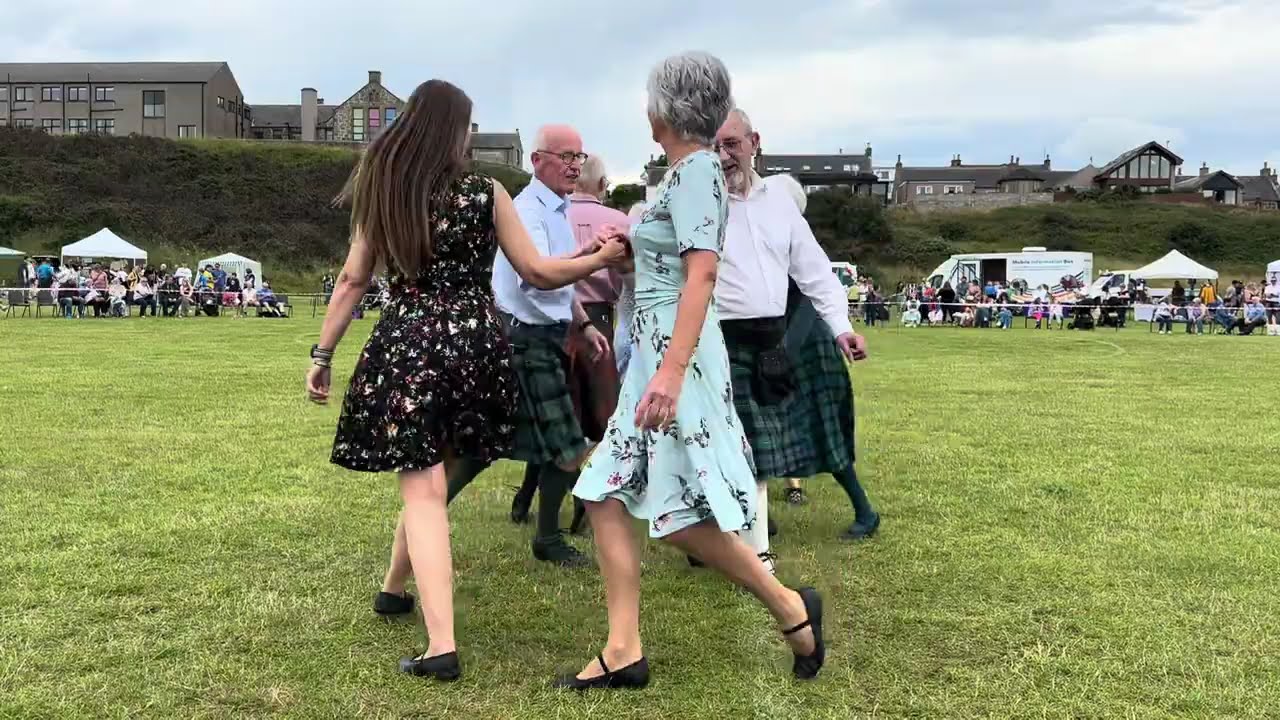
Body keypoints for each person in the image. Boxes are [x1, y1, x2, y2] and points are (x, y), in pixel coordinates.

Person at [306, 79, 626, 682]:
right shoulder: (487, 191)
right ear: (453, 130)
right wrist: (598, 260)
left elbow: (352, 281)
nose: (472, 135)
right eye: (468, 126)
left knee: (422, 489)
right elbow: (537, 270)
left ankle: (442, 645)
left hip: (409, 343)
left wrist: (322, 353)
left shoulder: (383, 189)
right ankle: (392, 588)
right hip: (479, 345)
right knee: (431, 476)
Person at [559, 51, 825, 691]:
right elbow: (673, 268)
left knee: (675, 513)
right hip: (656, 351)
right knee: (603, 492)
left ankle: (790, 607)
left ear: (667, 109)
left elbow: (702, 272)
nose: (646, 109)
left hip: (676, 358)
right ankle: (625, 648)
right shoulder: (681, 176)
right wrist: (626, 259)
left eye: (651, 98)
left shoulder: (700, 171)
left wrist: (671, 373)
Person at [423, 122, 609, 569]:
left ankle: (542, 535)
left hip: (539, 340)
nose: (573, 166)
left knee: (494, 446)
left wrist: (582, 324)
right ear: (537, 160)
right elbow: (539, 275)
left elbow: (557, 282)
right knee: (556, 448)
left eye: (578, 158)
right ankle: (428, 522)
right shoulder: (527, 210)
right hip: (523, 342)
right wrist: (597, 258)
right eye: (565, 157)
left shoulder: (557, 209)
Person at [708, 107, 862, 571]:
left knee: (754, 449)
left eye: (731, 144)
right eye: (714, 146)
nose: (723, 155)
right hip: (717, 339)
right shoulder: (701, 199)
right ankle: (750, 554)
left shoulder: (779, 203)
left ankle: (741, 549)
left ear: (755, 142)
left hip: (769, 338)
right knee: (734, 447)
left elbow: (815, 271)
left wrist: (842, 328)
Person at [508, 153, 629, 528]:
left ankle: (528, 498)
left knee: (558, 416)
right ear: (603, 184)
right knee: (597, 421)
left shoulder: (547, 214)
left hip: (552, 319)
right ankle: (581, 502)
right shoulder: (618, 221)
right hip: (593, 320)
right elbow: (626, 281)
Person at [765, 173, 877, 538]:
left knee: (827, 436)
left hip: (810, 352)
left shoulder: (797, 243)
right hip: (787, 350)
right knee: (765, 432)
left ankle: (866, 513)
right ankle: (759, 517)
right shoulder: (774, 242)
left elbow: (810, 306)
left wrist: (782, 356)